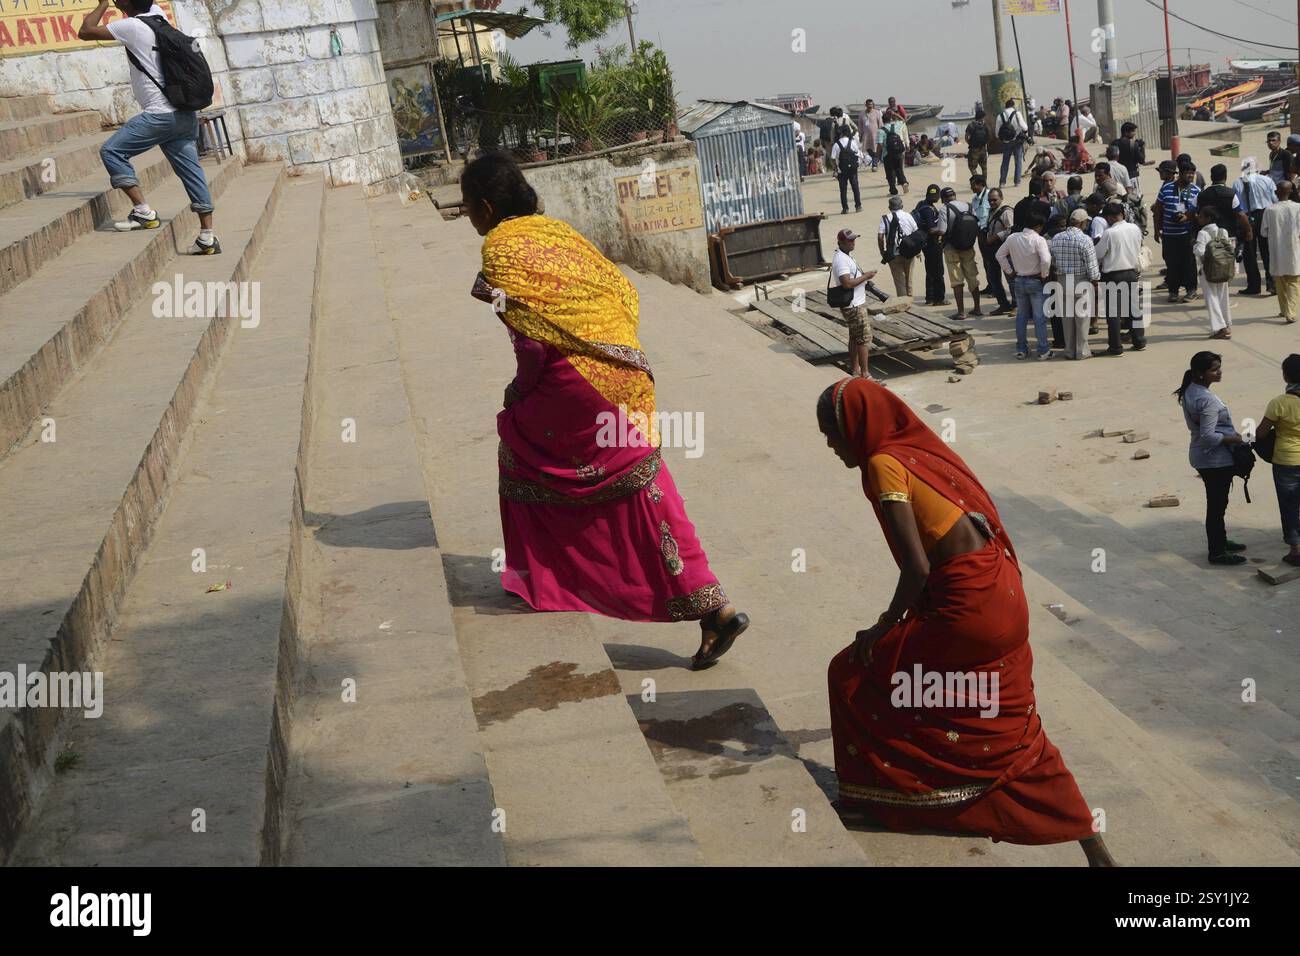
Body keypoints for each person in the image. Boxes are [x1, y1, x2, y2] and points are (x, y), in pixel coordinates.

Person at [461, 153, 749, 667]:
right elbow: (620, 291)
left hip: (572, 384)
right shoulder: (558, 233)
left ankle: (539, 577)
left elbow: (530, 347)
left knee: (518, 448)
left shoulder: (500, 249)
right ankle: (714, 605)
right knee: (643, 481)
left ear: (484, 207)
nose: (468, 219)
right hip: (627, 374)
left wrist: (518, 394)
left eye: (467, 209)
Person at [816, 378, 1115, 866]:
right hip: (1002, 596)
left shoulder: (883, 465)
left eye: (832, 433)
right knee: (1011, 722)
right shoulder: (920, 453)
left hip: (967, 611)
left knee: (853, 672)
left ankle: (888, 800)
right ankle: (1093, 846)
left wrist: (884, 625)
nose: (831, 445)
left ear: (856, 427)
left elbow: (916, 567)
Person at [77, 0, 218, 253]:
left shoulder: (131, 26)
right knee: (192, 174)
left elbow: (86, 31)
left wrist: (102, 5)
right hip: (185, 115)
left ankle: (143, 211)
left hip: (159, 116)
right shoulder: (157, 17)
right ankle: (208, 237)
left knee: (112, 151)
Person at [1175, 352, 1249, 566]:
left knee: (1218, 504)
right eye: (1214, 369)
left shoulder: (1192, 390)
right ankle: (1217, 552)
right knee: (1216, 507)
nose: (1219, 372)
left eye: (1219, 367)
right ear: (1200, 373)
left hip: (1204, 457)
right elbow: (1208, 437)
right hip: (1214, 460)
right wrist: (1237, 438)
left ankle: (1221, 541)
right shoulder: (1205, 399)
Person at [1255, 354, 1300, 567]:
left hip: (1286, 460)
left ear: (1285, 376)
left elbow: (1261, 434)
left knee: (1289, 505)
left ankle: (1295, 550)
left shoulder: (1279, 403)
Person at [997, 210, 1053, 360]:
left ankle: (1022, 348)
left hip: (1019, 280)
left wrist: (1009, 271)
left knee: (1021, 316)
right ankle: (1043, 350)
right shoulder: (1038, 239)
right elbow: (1046, 260)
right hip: (1035, 281)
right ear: (1038, 226)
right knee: (1039, 317)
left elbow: (999, 255)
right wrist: (1044, 274)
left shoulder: (1012, 238)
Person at [1094, 201, 1146, 354]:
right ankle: (1139, 341)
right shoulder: (1134, 228)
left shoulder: (1110, 233)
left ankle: (1116, 347)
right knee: (1134, 309)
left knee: (1114, 314)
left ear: (1110, 217)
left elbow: (1099, 253)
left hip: (1113, 274)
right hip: (1131, 272)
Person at [1049, 209, 1100, 359]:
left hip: (1062, 280)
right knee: (1082, 318)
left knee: (1067, 317)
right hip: (1080, 280)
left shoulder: (1057, 238)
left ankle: (1069, 350)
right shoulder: (1085, 240)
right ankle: (1082, 351)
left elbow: (1052, 260)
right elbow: (1092, 266)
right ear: (1082, 223)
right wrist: (1095, 281)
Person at [832, 228, 879, 379]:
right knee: (864, 339)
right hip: (854, 306)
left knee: (854, 337)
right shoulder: (841, 260)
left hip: (853, 303)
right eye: (849, 240)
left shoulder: (846, 255)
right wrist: (866, 276)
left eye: (854, 239)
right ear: (841, 243)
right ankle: (865, 374)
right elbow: (846, 283)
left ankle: (855, 369)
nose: (853, 242)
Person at [1155, 161, 1201, 304]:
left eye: (1192, 173)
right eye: (1188, 173)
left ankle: (1191, 290)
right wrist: (1157, 230)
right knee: (1172, 264)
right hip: (1169, 234)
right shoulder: (1166, 188)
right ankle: (1173, 292)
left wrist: (1187, 217)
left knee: (1189, 263)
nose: (1190, 176)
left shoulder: (1196, 190)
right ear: (1180, 174)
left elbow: (1199, 213)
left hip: (1187, 235)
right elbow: (1158, 209)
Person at [1234, 156, 1279, 295]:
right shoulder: (1267, 180)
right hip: (1266, 215)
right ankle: (1272, 285)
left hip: (1247, 218)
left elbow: (1237, 206)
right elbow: (1275, 200)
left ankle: (1254, 286)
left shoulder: (1237, 183)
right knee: (1267, 251)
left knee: (1250, 253)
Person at [938, 187, 982, 319]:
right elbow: (976, 224)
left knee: (957, 280)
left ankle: (961, 312)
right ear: (955, 195)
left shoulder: (944, 209)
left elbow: (942, 231)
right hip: (968, 247)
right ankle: (977, 308)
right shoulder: (968, 206)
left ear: (943, 199)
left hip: (952, 249)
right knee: (972, 277)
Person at [1192, 208, 1235, 340]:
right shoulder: (1223, 231)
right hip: (1223, 268)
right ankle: (1226, 324)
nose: (1199, 218)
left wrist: (1193, 245)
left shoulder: (1202, 233)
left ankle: (1219, 328)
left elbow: (1199, 252)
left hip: (1208, 269)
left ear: (1208, 218)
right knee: (1223, 297)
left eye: (1201, 217)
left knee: (1211, 298)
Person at [1261, 181, 1300, 324]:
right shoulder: (1297, 208)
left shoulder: (1270, 210)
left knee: (1280, 281)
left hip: (1276, 251)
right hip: (1293, 250)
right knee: (1294, 282)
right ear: (1290, 191)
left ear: (1277, 192)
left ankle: (1284, 310)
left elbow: (1263, 233)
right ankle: (1290, 312)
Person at [981, 187, 1015, 316]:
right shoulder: (991, 211)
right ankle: (1003, 304)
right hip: (993, 250)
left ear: (1001, 198)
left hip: (1005, 250)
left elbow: (1011, 230)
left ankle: (1016, 305)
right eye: (990, 200)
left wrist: (996, 236)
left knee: (1010, 278)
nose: (992, 202)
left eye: (994, 200)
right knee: (994, 279)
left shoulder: (1006, 212)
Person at [878, 194, 919, 300]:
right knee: (909, 278)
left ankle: (903, 301)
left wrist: (882, 251)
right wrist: (917, 251)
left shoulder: (885, 218)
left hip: (893, 254)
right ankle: (910, 300)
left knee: (899, 281)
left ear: (889, 207)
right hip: (909, 252)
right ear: (902, 206)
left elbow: (880, 236)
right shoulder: (908, 216)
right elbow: (916, 233)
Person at [915, 185, 948, 307]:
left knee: (930, 271)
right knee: (938, 272)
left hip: (925, 245)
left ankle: (929, 297)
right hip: (933, 244)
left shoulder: (921, 204)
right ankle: (939, 299)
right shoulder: (929, 210)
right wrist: (942, 230)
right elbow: (930, 229)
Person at [996, 98, 1029, 189]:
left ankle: (1002, 182)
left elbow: (996, 133)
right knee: (1018, 161)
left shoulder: (1000, 116)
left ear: (1005, 106)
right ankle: (1017, 182)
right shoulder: (1017, 113)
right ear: (1013, 106)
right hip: (1017, 142)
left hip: (1006, 142)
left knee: (1005, 162)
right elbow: (1024, 127)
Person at [831, 125, 864, 214]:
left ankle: (845, 208)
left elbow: (833, 158)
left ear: (840, 133)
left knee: (843, 190)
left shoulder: (836, 144)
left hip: (841, 170)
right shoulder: (852, 142)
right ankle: (858, 206)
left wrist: (835, 168)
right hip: (852, 169)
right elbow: (857, 153)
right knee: (855, 187)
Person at [879, 108, 910, 197]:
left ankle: (893, 190)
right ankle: (904, 182)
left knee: (889, 172)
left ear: (882, 120)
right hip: (899, 151)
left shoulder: (881, 130)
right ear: (891, 119)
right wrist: (895, 114)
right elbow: (904, 120)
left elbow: (880, 145)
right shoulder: (897, 126)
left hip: (887, 154)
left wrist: (878, 156)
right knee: (899, 169)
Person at [1111, 122, 1150, 190]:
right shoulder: (1133, 144)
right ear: (1126, 132)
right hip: (1132, 176)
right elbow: (1142, 160)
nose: (1134, 133)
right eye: (1133, 131)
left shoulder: (1114, 143)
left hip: (1118, 176)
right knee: (1134, 197)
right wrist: (1142, 147)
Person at [860, 98, 883, 172]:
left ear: (873, 105)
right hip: (866, 136)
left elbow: (880, 124)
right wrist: (860, 135)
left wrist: (881, 134)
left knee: (875, 150)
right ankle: (876, 160)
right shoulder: (862, 114)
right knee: (868, 150)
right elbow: (860, 125)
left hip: (875, 136)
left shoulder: (877, 113)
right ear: (866, 105)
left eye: (871, 104)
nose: (870, 106)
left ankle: (874, 165)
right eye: (869, 104)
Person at [965, 107, 990, 179]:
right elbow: (989, 137)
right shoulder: (985, 126)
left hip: (974, 149)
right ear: (983, 117)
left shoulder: (971, 125)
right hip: (983, 149)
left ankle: (977, 181)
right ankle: (984, 183)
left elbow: (966, 137)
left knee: (972, 167)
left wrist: (970, 143)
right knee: (984, 168)